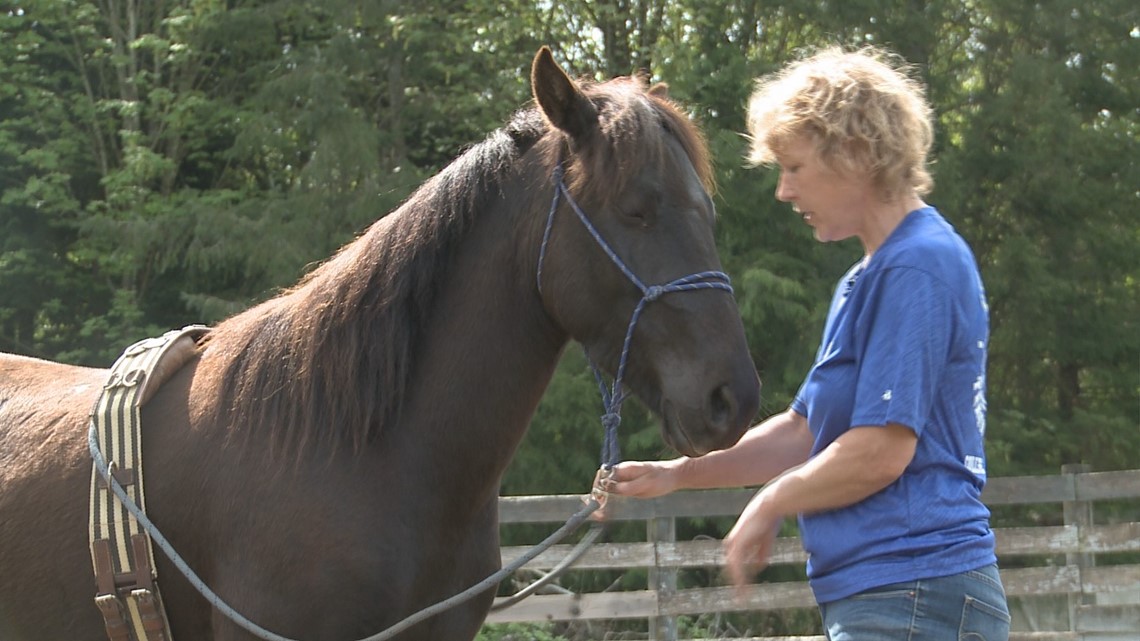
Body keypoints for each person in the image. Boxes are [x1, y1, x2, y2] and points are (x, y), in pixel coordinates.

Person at [600, 47, 1011, 640]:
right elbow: (804, 433)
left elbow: (880, 452)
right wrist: (678, 474)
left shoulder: (918, 266)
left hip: (917, 593)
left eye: (793, 167)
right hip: (894, 596)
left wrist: (771, 503)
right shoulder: (868, 278)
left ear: (854, 153)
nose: (783, 192)